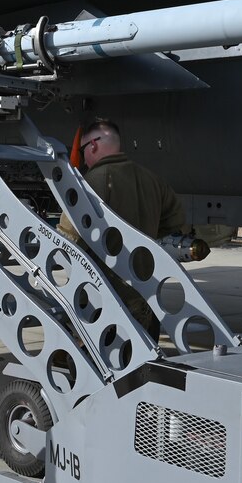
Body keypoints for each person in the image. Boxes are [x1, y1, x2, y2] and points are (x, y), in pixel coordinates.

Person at [59, 118, 186, 333]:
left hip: (103, 303)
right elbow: (175, 227)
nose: (83, 159)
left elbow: (67, 241)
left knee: (102, 363)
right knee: (145, 362)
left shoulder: (89, 184)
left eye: (82, 151)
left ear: (93, 145)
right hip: (147, 300)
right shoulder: (153, 180)